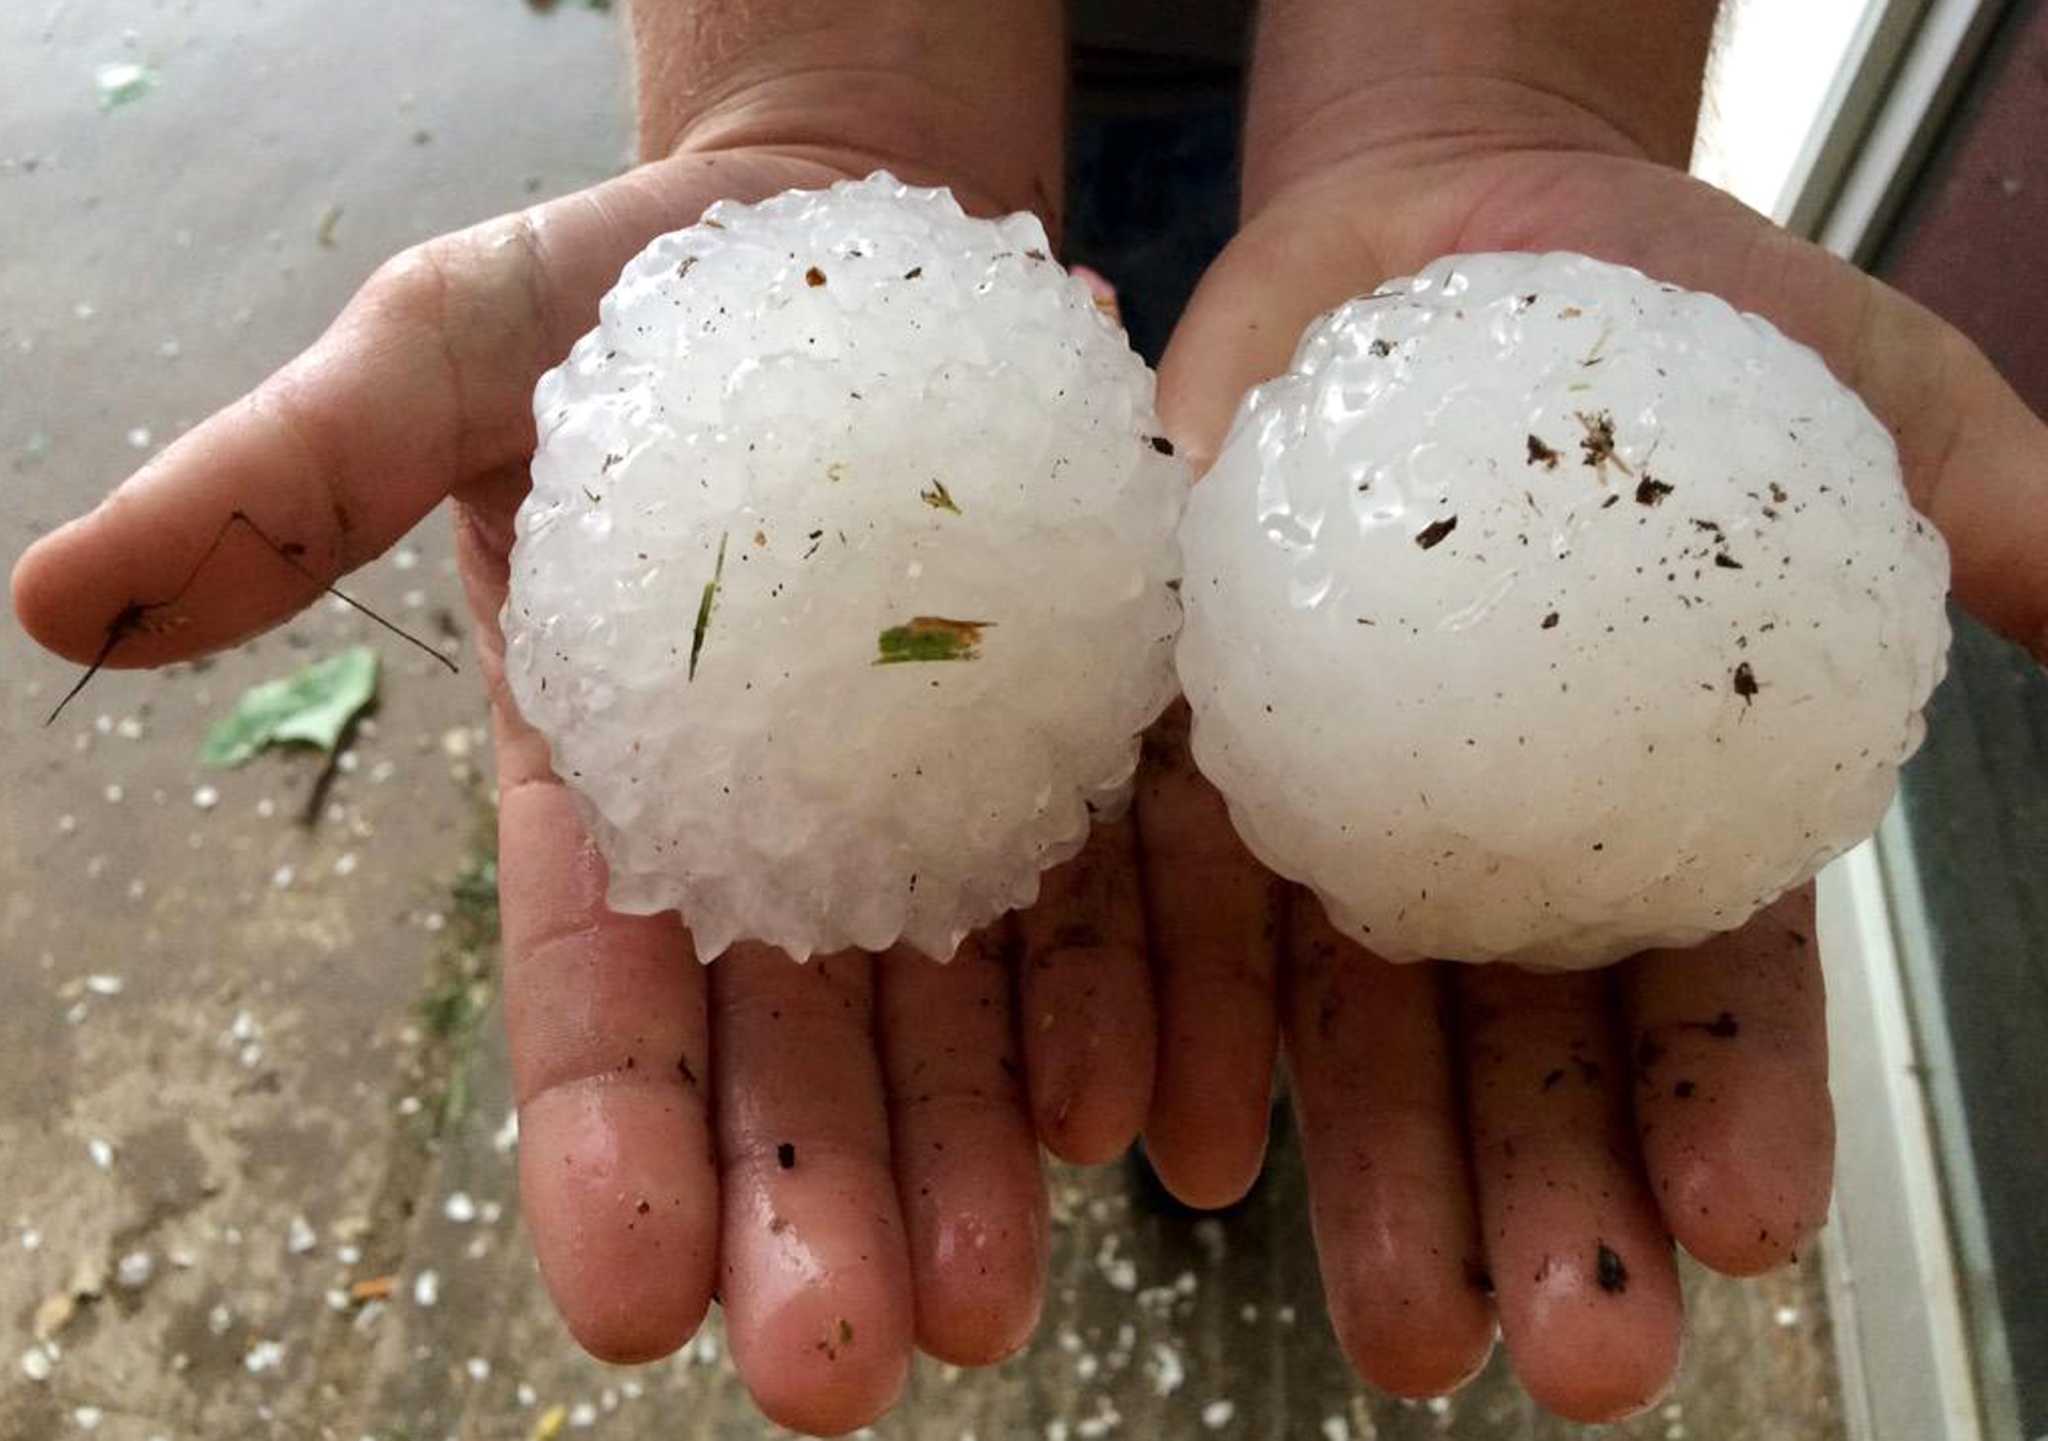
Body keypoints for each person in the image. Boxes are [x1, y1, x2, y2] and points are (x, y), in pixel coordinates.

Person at [12, 1, 2046, 1433]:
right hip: (953, 198)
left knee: (1186, 979)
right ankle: (1175, 1120)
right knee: (1145, 967)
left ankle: (1189, 1119)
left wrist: (1495, 70)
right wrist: (811, 63)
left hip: (1365, 202)